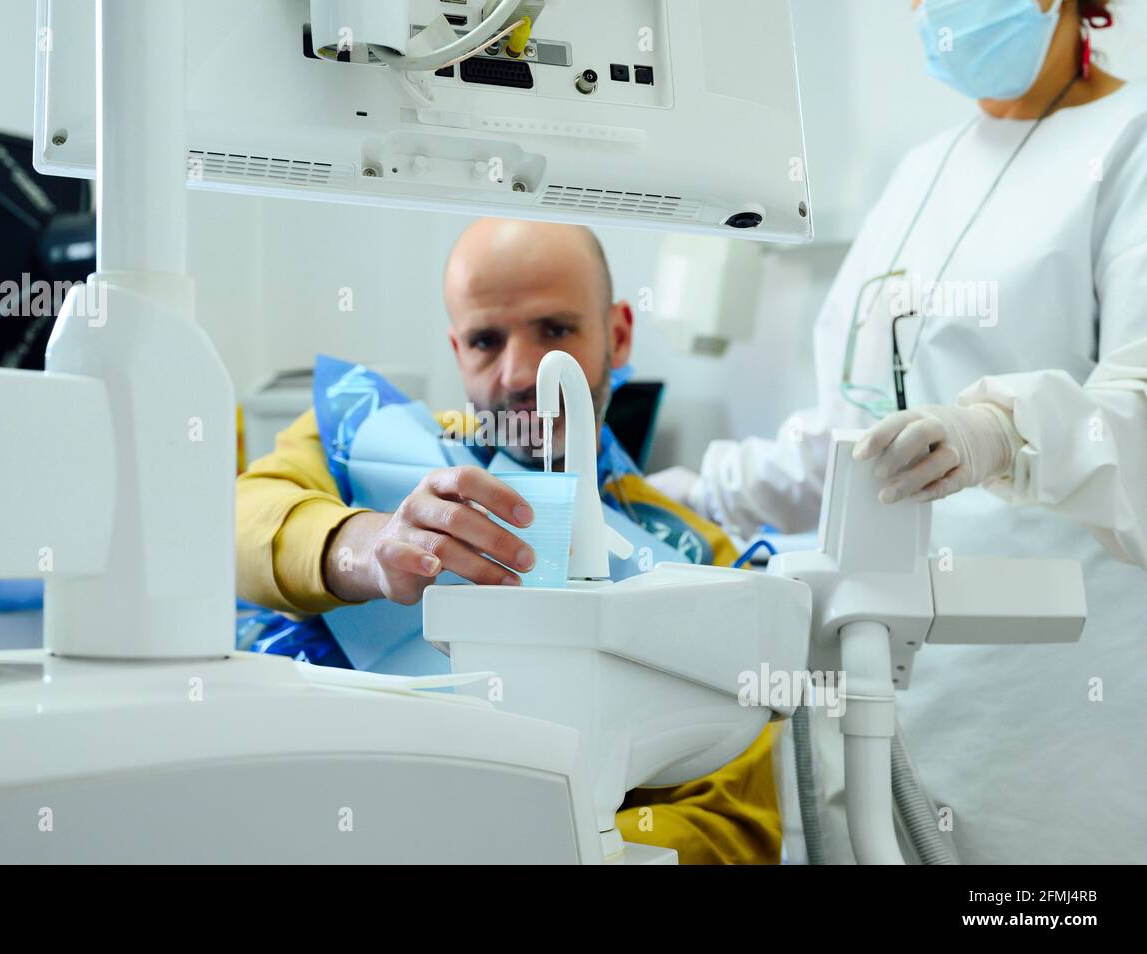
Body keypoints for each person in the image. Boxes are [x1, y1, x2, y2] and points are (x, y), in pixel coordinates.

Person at [652, 0, 1147, 863]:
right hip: (888, 676)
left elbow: (1138, 409)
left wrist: (1000, 429)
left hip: (1057, 700)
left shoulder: (1132, 144)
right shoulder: (922, 173)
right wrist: (700, 493)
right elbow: (855, 433)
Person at [236, 218, 780, 864]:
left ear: (619, 333)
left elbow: (732, 828)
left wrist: (553, 840)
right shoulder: (361, 444)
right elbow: (235, 524)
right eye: (486, 340)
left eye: (555, 330)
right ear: (456, 347)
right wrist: (369, 545)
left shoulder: (702, 561)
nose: (522, 373)